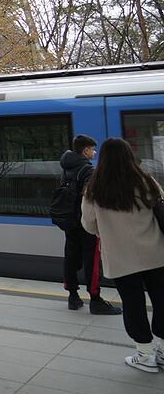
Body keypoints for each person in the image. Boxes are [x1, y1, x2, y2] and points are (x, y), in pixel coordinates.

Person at [81, 137, 164, 373]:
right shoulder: (146, 181)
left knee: (133, 304)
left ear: (103, 158)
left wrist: (108, 229)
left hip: (120, 258)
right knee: (162, 300)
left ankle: (145, 355)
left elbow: (88, 225)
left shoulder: (94, 190)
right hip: (156, 253)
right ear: (129, 156)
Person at [59, 135, 121, 314]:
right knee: (92, 262)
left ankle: (73, 297)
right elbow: (91, 197)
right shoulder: (87, 170)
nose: (94, 153)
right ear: (85, 150)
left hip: (69, 222)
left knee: (70, 257)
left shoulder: (65, 169)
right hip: (85, 223)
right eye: (93, 150)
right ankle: (95, 300)